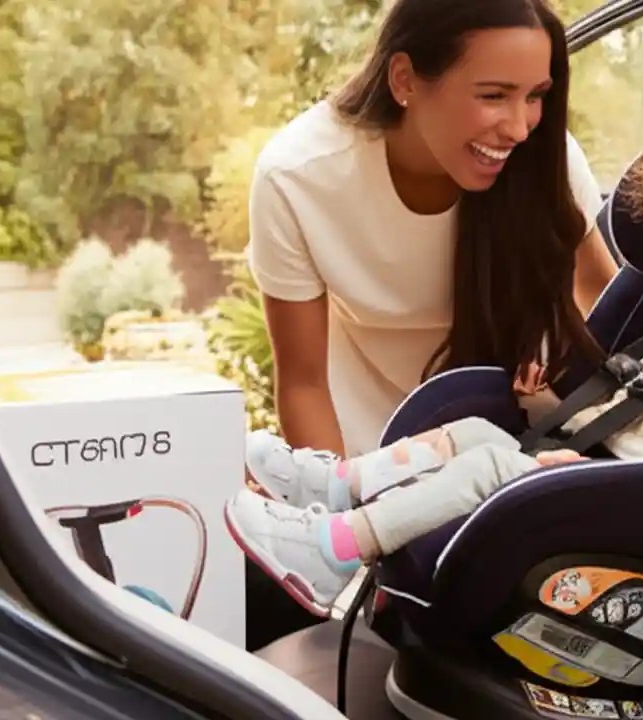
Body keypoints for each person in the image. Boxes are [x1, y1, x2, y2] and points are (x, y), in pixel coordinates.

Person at [226, 115, 643, 618]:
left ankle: (336, 551)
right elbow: (631, 418)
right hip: (605, 478)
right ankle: (334, 485)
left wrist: (575, 468)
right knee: (479, 433)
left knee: (494, 466)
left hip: (635, 516)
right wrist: (549, 411)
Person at [247, 0, 619, 461]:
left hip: (525, 442)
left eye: (536, 95)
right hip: (373, 458)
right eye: (493, 95)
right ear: (404, 79)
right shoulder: (296, 177)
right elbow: (304, 384)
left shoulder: (543, 158)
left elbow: (605, 307)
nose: (521, 128)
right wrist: (339, 503)